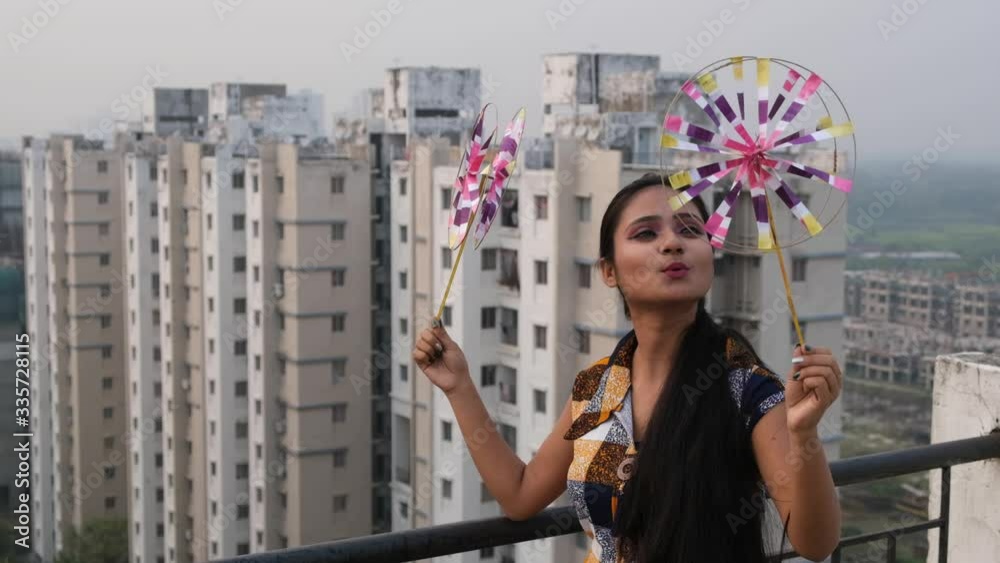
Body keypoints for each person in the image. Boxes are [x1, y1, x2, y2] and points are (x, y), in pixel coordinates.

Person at [413, 172, 842, 562]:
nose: (672, 242)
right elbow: (521, 496)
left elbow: (816, 543)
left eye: (691, 230)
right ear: (609, 271)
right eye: (646, 233)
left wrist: (804, 434)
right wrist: (460, 387)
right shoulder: (596, 388)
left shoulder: (746, 391)